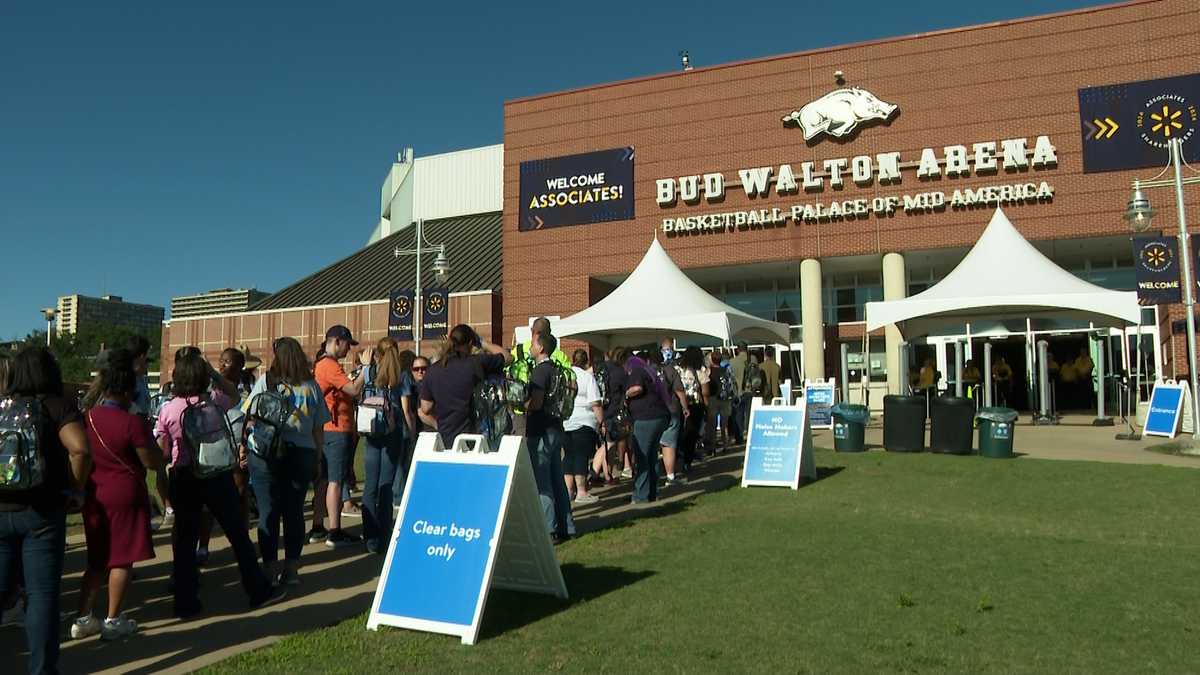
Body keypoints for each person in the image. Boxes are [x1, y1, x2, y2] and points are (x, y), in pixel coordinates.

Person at [155, 351, 284, 617]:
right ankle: (256, 588)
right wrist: (213, 373)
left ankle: (185, 601)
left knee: (184, 540)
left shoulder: (168, 409)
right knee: (237, 534)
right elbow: (236, 396)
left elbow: (163, 450)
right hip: (216, 473)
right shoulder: (213, 401)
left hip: (184, 475)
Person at [0, 347, 92, 674]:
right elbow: (79, 448)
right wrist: (76, 489)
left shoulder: (1, 406)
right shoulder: (57, 406)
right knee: (41, 597)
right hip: (42, 512)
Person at [72, 349, 160, 641]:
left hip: (95, 494)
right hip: (125, 494)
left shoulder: (87, 418)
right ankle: (112, 619)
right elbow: (151, 461)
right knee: (121, 559)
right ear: (128, 390)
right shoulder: (132, 423)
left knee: (96, 560)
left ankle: (83, 617)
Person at [242, 337, 328, 585]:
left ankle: (269, 567)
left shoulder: (266, 382)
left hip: (265, 453)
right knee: (294, 512)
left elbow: (249, 415)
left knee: (268, 511)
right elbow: (318, 428)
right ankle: (292, 569)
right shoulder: (310, 387)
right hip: (301, 452)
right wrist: (318, 458)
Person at [312, 325, 370, 549]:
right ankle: (334, 531)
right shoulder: (329, 365)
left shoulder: (323, 365)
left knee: (325, 481)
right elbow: (354, 391)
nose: (348, 349)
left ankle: (318, 527)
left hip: (327, 429)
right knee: (335, 482)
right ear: (337, 341)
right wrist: (364, 369)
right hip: (336, 429)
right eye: (347, 344)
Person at [419, 324, 513, 448]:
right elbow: (508, 357)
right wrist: (482, 342)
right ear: (470, 343)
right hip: (474, 439)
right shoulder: (476, 363)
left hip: (445, 439)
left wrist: (438, 423)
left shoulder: (433, 370)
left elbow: (425, 408)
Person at [360, 337, 411, 554]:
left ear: (378, 354)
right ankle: (384, 535)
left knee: (370, 485)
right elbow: (406, 410)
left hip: (371, 430)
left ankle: (370, 537)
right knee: (386, 484)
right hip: (392, 433)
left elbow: (355, 391)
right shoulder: (401, 376)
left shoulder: (370, 373)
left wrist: (364, 366)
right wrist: (412, 433)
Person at [525, 333, 576, 541]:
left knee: (542, 482)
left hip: (541, 430)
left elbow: (536, 403)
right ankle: (567, 526)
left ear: (541, 348)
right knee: (558, 480)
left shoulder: (539, 372)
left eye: (533, 344)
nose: (530, 347)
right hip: (556, 427)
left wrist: (520, 405)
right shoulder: (557, 370)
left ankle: (549, 528)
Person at [508, 317, 572, 435]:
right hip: (553, 417)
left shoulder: (518, 350)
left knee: (525, 451)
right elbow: (571, 380)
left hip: (522, 413)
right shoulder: (558, 354)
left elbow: (507, 374)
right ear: (550, 332)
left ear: (532, 330)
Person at [624, 352, 671, 505]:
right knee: (652, 456)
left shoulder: (636, 371)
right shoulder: (650, 372)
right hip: (660, 416)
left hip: (646, 418)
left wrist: (626, 394)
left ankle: (640, 495)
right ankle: (653, 492)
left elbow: (637, 388)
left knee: (642, 458)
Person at [563, 349, 603, 505]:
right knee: (581, 456)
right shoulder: (588, 377)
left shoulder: (565, 375)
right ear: (587, 362)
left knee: (568, 456)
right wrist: (601, 421)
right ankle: (581, 491)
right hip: (584, 422)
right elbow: (595, 402)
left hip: (566, 422)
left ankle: (568, 490)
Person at [649, 347, 689, 486]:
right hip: (670, 410)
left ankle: (651, 477)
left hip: (650, 412)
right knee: (669, 445)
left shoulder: (643, 372)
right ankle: (670, 476)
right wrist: (685, 407)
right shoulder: (670, 370)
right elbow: (679, 390)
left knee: (650, 445)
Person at [600, 347, 632, 480]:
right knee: (611, 443)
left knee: (606, 443)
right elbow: (627, 391)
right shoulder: (620, 372)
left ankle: (608, 474)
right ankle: (598, 471)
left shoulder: (601, 369)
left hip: (601, 410)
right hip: (615, 411)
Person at [676, 346, 710, 472]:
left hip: (678, 404)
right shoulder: (700, 372)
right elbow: (705, 392)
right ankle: (687, 461)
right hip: (694, 406)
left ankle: (675, 458)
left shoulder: (677, 370)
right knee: (691, 434)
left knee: (678, 433)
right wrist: (707, 408)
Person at [706, 350, 734, 455]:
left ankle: (712, 447)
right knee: (724, 424)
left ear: (712, 360)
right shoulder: (726, 370)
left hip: (713, 398)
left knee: (712, 425)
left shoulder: (709, 371)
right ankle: (725, 445)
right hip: (725, 399)